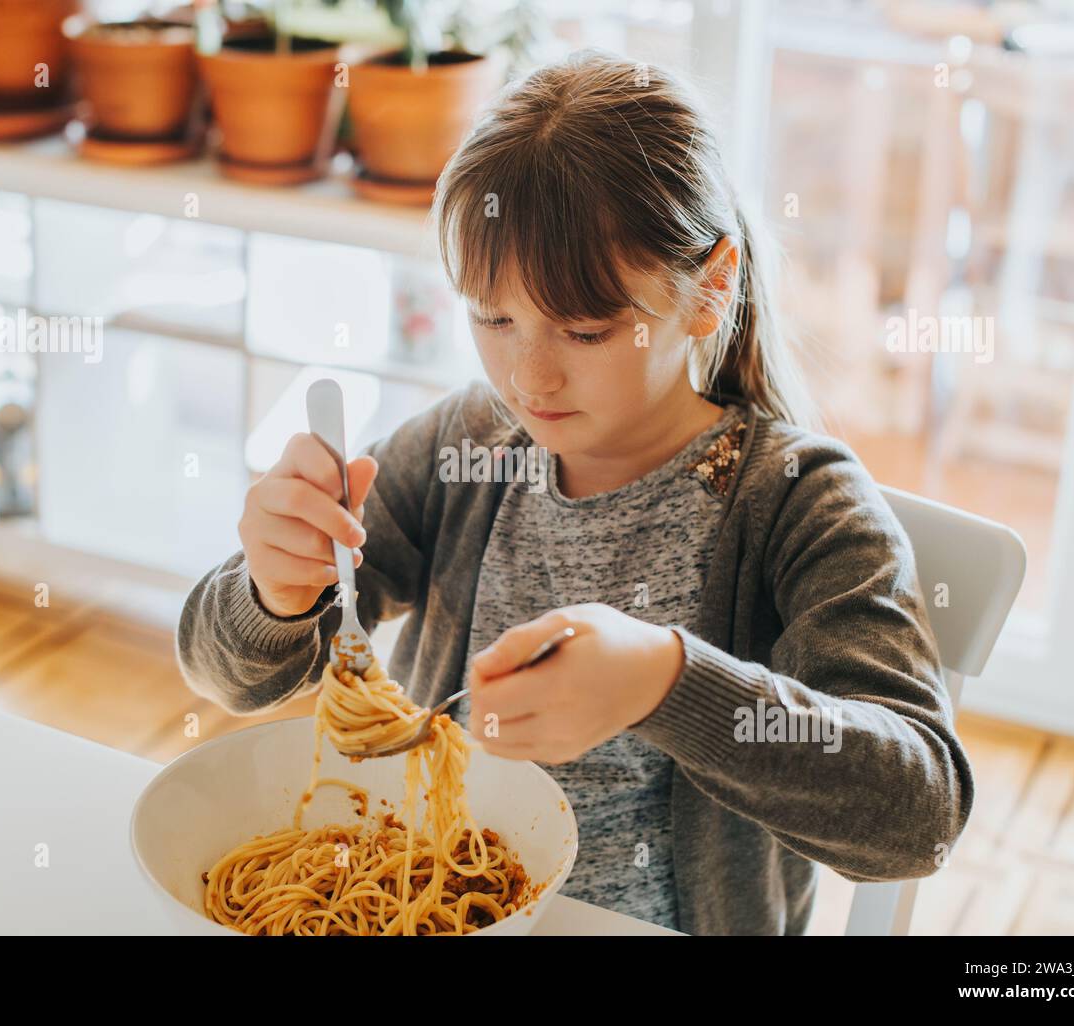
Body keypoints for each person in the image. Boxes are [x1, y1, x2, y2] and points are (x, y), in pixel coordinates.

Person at [176, 49, 973, 935]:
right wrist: (273, 596)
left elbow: (920, 817)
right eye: (492, 317)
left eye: (586, 331)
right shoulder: (464, 446)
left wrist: (672, 687)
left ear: (709, 289)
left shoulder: (795, 504)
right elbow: (228, 676)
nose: (527, 377)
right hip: (422, 906)